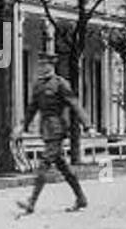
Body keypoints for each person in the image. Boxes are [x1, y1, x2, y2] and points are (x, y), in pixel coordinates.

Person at [15, 50, 91, 215]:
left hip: (57, 129)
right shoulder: (38, 85)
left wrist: (87, 125)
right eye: (40, 64)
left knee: (44, 163)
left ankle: (31, 202)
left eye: (45, 64)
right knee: (63, 166)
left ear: (52, 65)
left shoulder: (60, 83)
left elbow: (74, 103)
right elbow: (32, 108)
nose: (42, 67)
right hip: (46, 129)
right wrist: (22, 126)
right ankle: (81, 198)